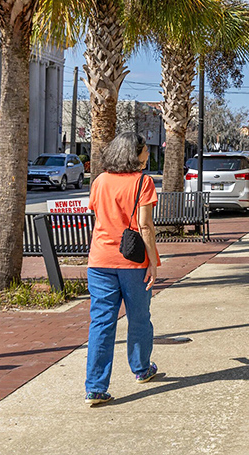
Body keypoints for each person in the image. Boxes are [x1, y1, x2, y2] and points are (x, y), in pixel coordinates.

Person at [85, 132, 161, 406]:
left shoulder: (100, 181)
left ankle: (95, 387)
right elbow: (145, 226)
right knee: (139, 318)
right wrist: (152, 261)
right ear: (134, 153)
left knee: (101, 323)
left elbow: (97, 214)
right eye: (144, 151)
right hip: (132, 261)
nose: (148, 155)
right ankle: (141, 369)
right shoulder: (144, 182)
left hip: (100, 260)